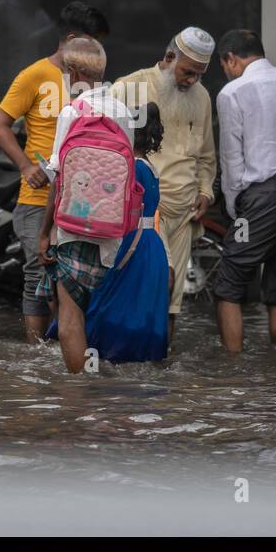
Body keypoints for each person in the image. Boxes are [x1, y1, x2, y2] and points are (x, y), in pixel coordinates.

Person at [0, 1, 110, 342]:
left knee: (73, 278)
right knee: (38, 270)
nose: (99, 51)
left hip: (80, 201)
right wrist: (26, 166)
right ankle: (37, 351)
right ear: (71, 39)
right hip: (37, 198)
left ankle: (66, 351)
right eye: (93, 42)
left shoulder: (93, 81)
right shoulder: (34, 76)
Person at [110, 28, 217, 342]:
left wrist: (205, 191)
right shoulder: (128, 89)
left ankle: (162, 369)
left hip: (184, 214)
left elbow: (207, 156)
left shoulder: (202, 97)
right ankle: (130, 369)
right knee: (156, 285)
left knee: (172, 305)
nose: (191, 80)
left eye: (199, 75)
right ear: (170, 58)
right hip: (144, 210)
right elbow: (111, 150)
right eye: (187, 72)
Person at [37, 38, 136, 373]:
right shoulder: (124, 111)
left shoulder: (71, 112)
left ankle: (79, 393)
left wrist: (44, 231)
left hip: (72, 226)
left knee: (69, 318)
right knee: (95, 308)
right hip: (112, 230)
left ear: (74, 72)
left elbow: (57, 177)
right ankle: (100, 384)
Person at [47, 101, 170, 365]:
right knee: (138, 311)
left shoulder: (129, 168)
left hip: (130, 244)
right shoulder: (149, 167)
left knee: (110, 308)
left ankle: (91, 373)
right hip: (151, 246)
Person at [212, 29, 276, 351]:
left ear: (231, 59)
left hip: (260, 198)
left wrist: (235, 209)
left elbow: (232, 160)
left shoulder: (232, 92)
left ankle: (233, 367)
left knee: (228, 283)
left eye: (224, 66)